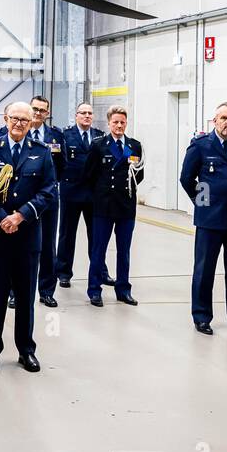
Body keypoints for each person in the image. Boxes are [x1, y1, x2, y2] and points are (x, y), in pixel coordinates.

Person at [0, 101, 56, 374]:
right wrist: (1, 218)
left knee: (25, 297)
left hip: (28, 236)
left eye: (25, 119)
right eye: (14, 118)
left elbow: (47, 192)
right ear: (5, 119)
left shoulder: (42, 153)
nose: (19, 123)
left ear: (33, 121)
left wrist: (20, 216)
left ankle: (26, 350)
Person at [180, 102, 227, 336]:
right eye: (223, 118)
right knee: (205, 271)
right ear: (214, 121)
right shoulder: (202, 146)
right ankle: (202, 317)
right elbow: (186, 178)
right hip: (209, 220)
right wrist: (203, 202)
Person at [84, 105, 142, 307]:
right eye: (115, 122)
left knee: (124, 250)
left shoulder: (135, 146)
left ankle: (123, 290)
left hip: (126, 206)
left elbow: (138, 175)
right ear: (109, 123)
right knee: (99, 250)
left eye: (122, 122)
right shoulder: (99, 145)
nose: (119, 125)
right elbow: (89, 174)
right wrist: (101, 194)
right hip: (104, 206)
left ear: (126, 123)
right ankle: (94, 290)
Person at [54, 102, 103, 290]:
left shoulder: (99, 136)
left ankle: (99, 272)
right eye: (83, 113)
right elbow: (58, 162)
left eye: (90, 113)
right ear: (76, 116)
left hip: (93, 194)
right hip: (71, 192)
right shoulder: (66, 135)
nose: (87, 116)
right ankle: (64, 273)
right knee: (67, 235)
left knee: (96, 236)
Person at [27, 96, 65, 307]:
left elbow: (63, 165)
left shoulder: (55, 136)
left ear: (47, 113)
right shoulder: (20, 132)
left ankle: (47, 291)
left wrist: (51, 188)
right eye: (35, 109)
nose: (38, 113)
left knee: (48, 245)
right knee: (23, 246)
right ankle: (17, 291)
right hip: (25, 199)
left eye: (42, 110)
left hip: (49, 198)